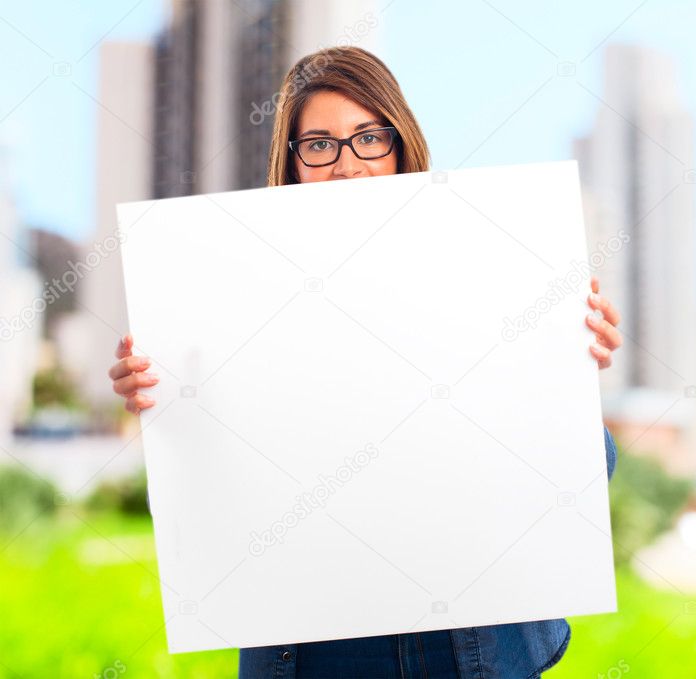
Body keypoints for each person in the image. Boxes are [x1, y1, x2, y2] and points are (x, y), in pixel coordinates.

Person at [107, 45, 623, 679]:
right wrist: (163, 400)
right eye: (319, 144)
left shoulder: (492, 271)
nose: (348, 166)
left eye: (368, 138)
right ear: (292, 164)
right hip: (314, 650)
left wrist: (566, 378)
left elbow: (587, 472)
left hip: (469, 648)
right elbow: (208, 499)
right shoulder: (231, 299)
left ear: (401, 146)